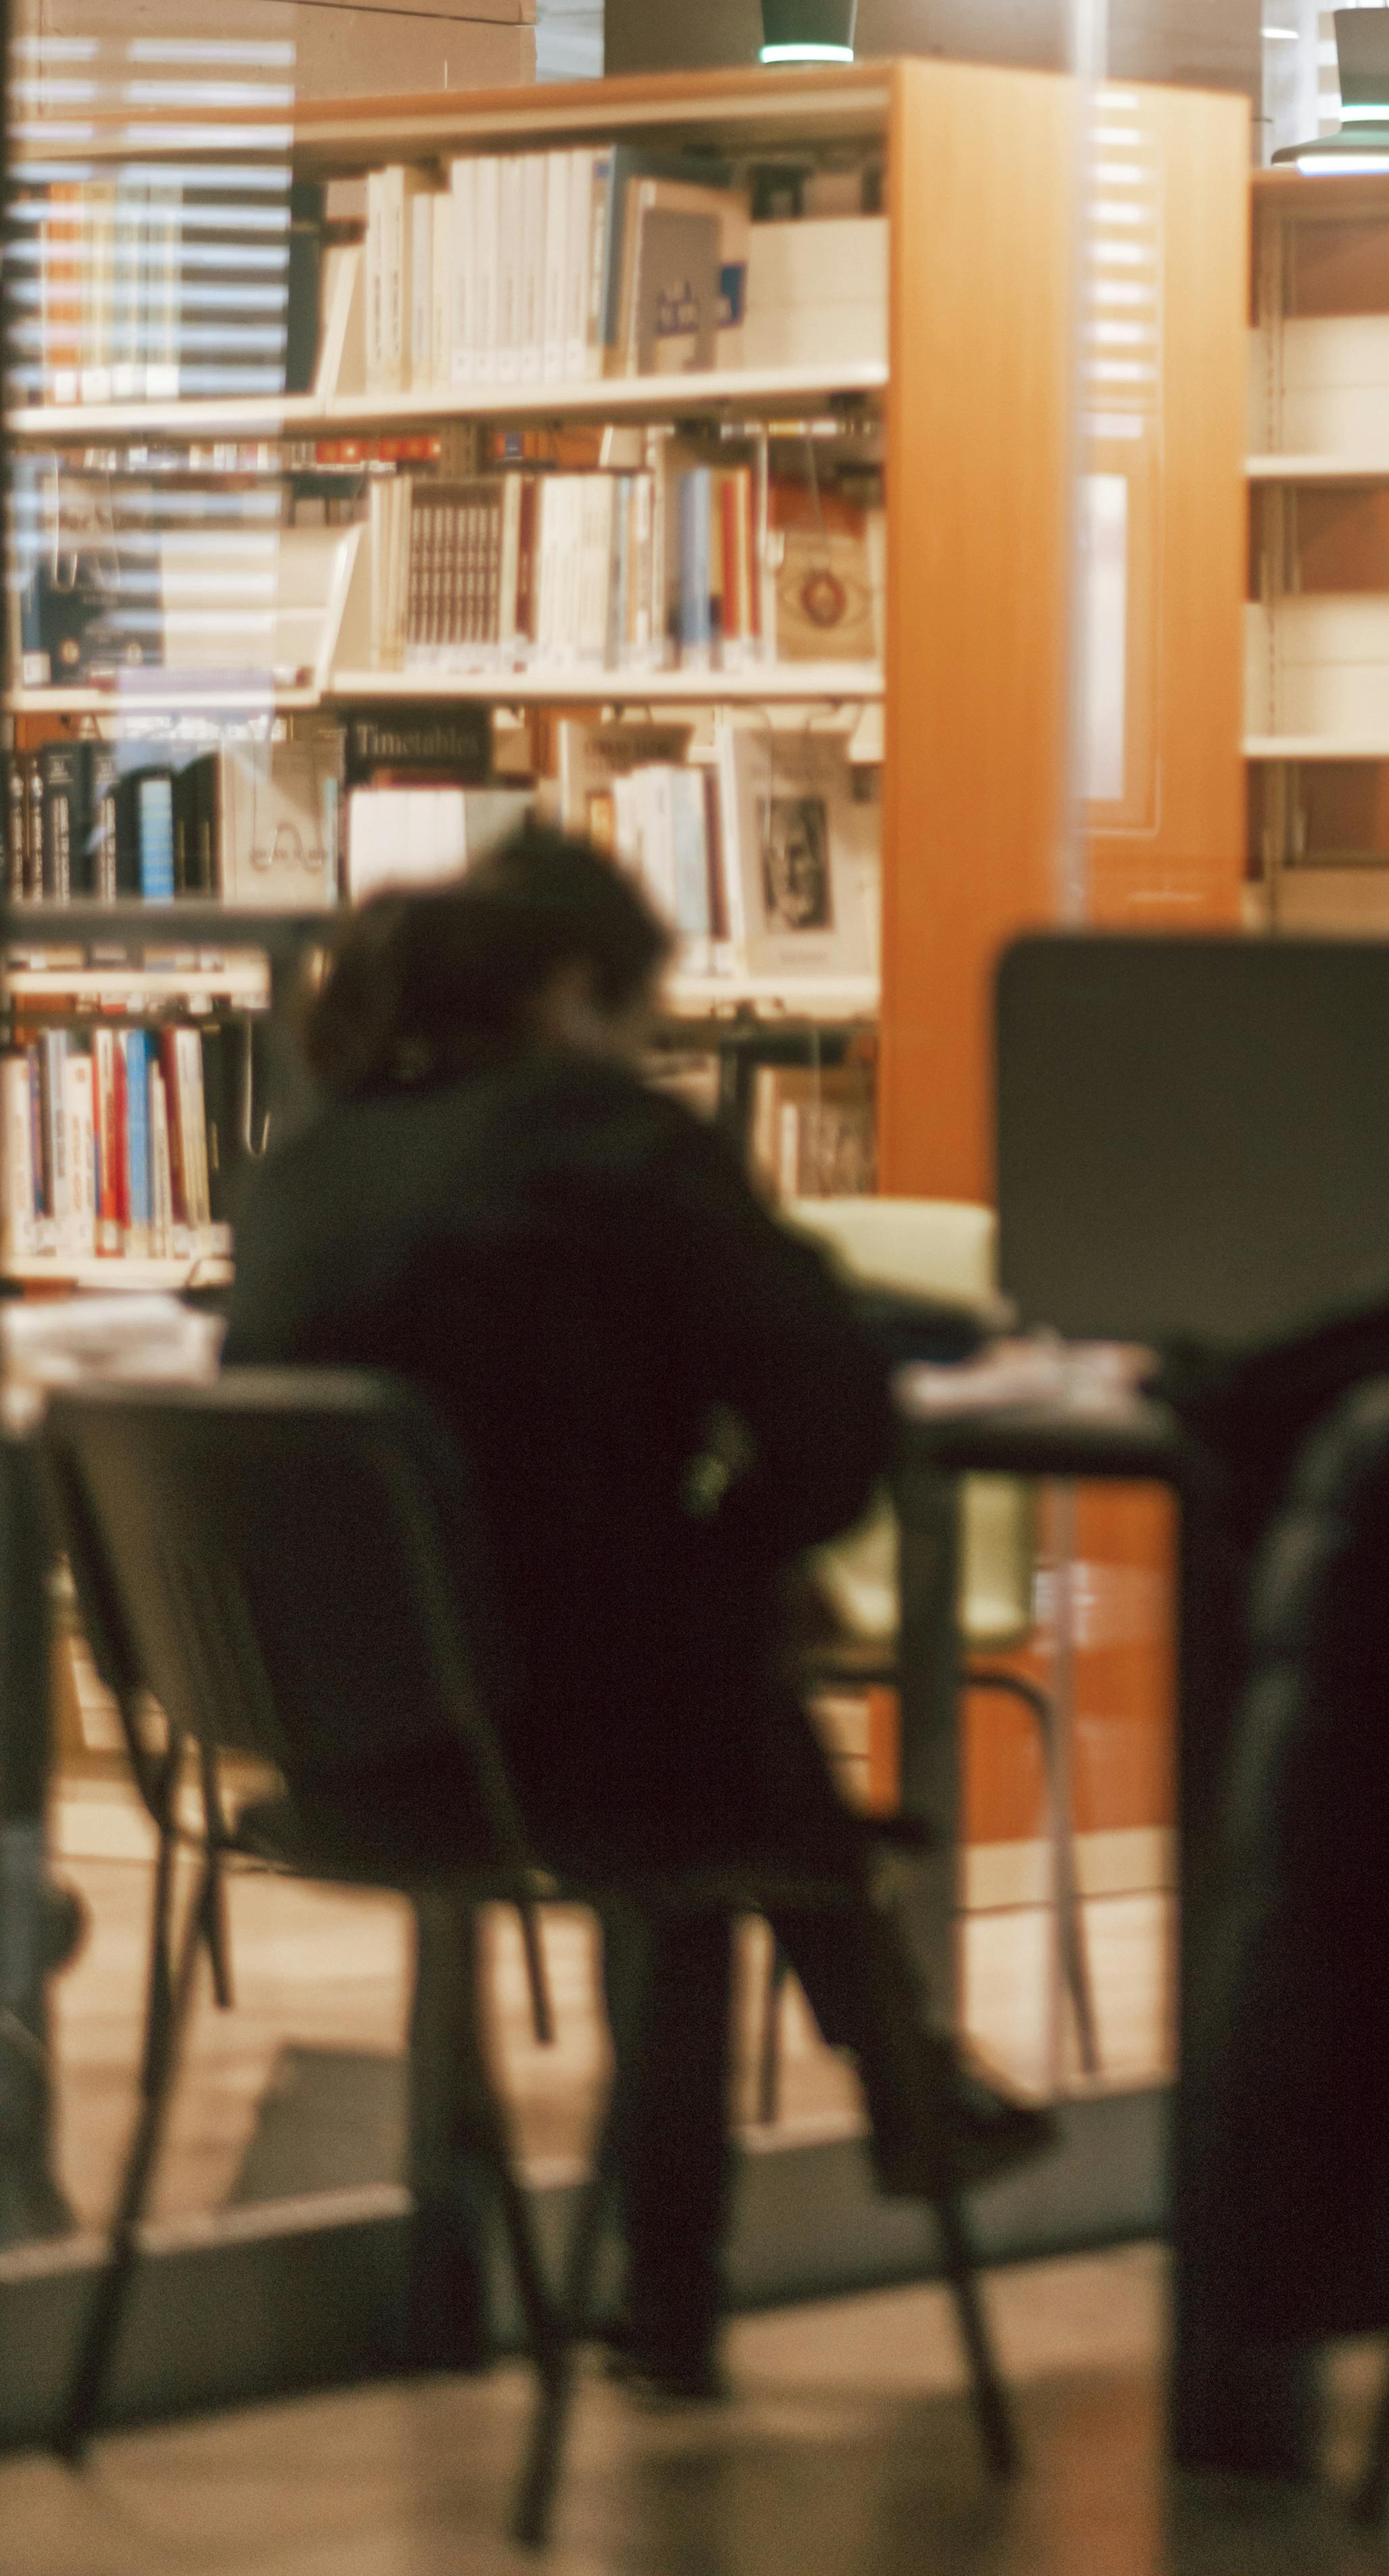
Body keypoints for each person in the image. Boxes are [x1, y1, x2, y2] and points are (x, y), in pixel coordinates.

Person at [222, 829, 1045, 2395]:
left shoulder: (304, 1168)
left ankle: (886, 2101)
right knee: (701, 1738)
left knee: (687, 1700)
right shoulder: (601, 1137)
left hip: (336, 1759)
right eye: (636, 1013)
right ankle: (779, 2195)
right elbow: (820, 1399)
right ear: (569, 993)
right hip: (573, 1751)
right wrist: (755, 1554)